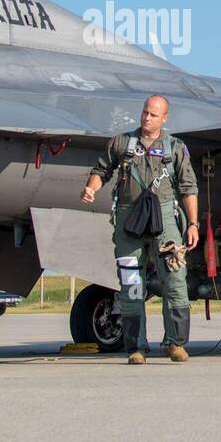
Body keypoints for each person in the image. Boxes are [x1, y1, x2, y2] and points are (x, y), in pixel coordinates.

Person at [81, 95, 199, 364]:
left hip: (166, 220)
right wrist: (91, 187)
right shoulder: (121, 143)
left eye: (153, 115)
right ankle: (136, 347)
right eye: (145, 112)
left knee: (175, 281)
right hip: (129, 219)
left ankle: (175, 344)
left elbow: (189, 187)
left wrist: (192, 224)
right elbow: (101, 170)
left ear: (164, 118)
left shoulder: (175, 148)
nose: (147, 118)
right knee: (131, 285)